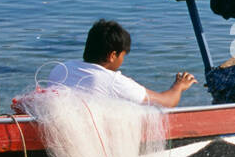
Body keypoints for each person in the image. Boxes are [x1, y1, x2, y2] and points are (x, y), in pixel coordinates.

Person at [54, 20, 196, 108]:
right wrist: (178, 86)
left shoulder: (61, 68)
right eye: (123, 55)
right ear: (112, 56)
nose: (122, 60)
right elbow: (166, 102)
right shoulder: (113, 82)